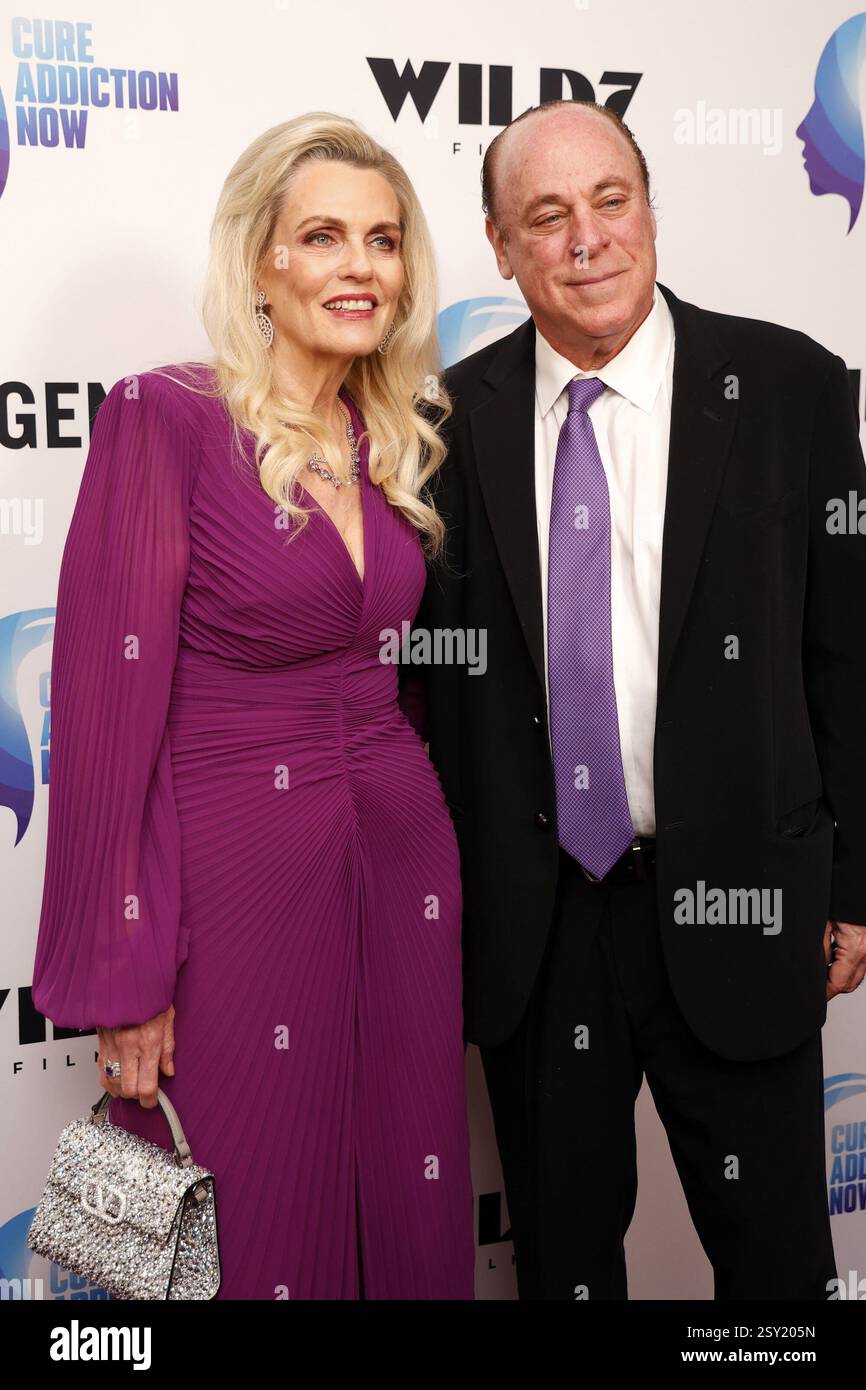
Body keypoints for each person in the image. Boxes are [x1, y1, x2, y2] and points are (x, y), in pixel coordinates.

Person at [412, 98, 866, 1299]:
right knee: (562, 1264)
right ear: (501, 247)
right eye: (545, 216)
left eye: (609, 201)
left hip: (741, 902)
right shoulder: (444, 425)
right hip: (541, 923)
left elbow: (848, 657)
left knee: (775, 1276)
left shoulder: (788, 386)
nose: (585, 240)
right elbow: (427, 697)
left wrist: (856, 887)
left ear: (650, 210)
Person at [30, 111, 475, 1300]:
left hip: (397, 866)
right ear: (262, 261)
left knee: (405, 1180)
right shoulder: (162, 416)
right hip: (231, 891)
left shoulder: (387, 439)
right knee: (249, 1210)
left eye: (381, 241)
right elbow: (107, 714)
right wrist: (126, 975)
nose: (358, 267)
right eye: (321, 236)